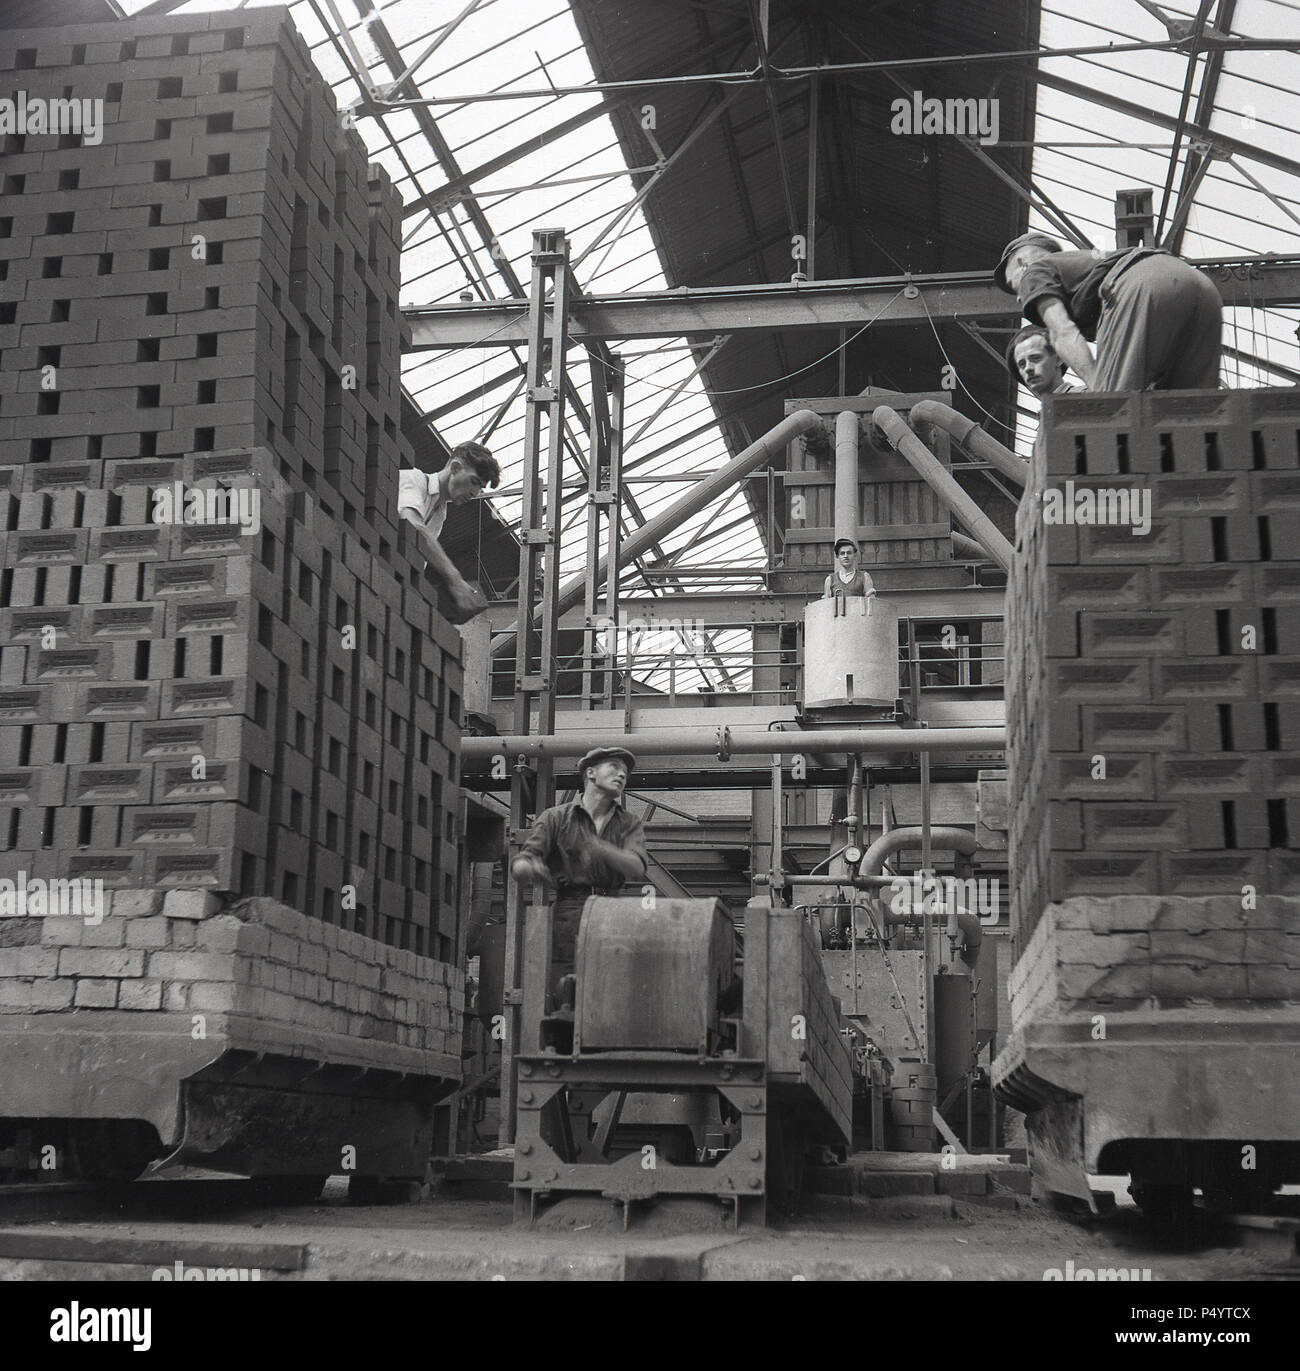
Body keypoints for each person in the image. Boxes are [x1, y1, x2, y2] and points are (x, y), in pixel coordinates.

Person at [993, 231, 1222, 392]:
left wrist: (1100, 392)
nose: (1020, 297)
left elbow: (1063, 333)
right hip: (1201, 287)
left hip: (1141, 285)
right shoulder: (1080, 263)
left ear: (1022, 263)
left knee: (1116, 415)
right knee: (1191, 408)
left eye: (1014, 286)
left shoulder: (1033, 271)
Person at [510, 746, 648, 1008]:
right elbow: (520, 865)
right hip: (571, 910)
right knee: (567, 994)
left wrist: (599, 848)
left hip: (614, 910)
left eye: (625, 772)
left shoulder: (629, 823)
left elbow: (637, 867)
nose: (622, 775)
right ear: (591, 772)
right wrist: (531, 869)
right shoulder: (555, 818)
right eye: (614, 767)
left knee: (612, 992)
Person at [397, 441, 500, 621]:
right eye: (474, 482)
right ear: (455, 467)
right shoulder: (414, 479)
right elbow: (413, 525)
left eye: (480, 487)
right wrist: (454, 579)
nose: (475, 493)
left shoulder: (440, 514)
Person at [1005, 324, 1082, 398]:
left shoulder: (1085, 398)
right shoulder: (1045, 410)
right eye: (1022, 364)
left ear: (1059, 359)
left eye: (1036, 358)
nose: (1028, 368)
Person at [823, 538, 876, 616]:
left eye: (849, 553)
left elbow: (872, 604)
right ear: (837, 556)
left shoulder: (864, 577)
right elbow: (826, 607)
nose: (845, 556)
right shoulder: (830, 579)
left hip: (858, 620)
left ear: (854, 555)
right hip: (838, 623)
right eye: (842, 553)